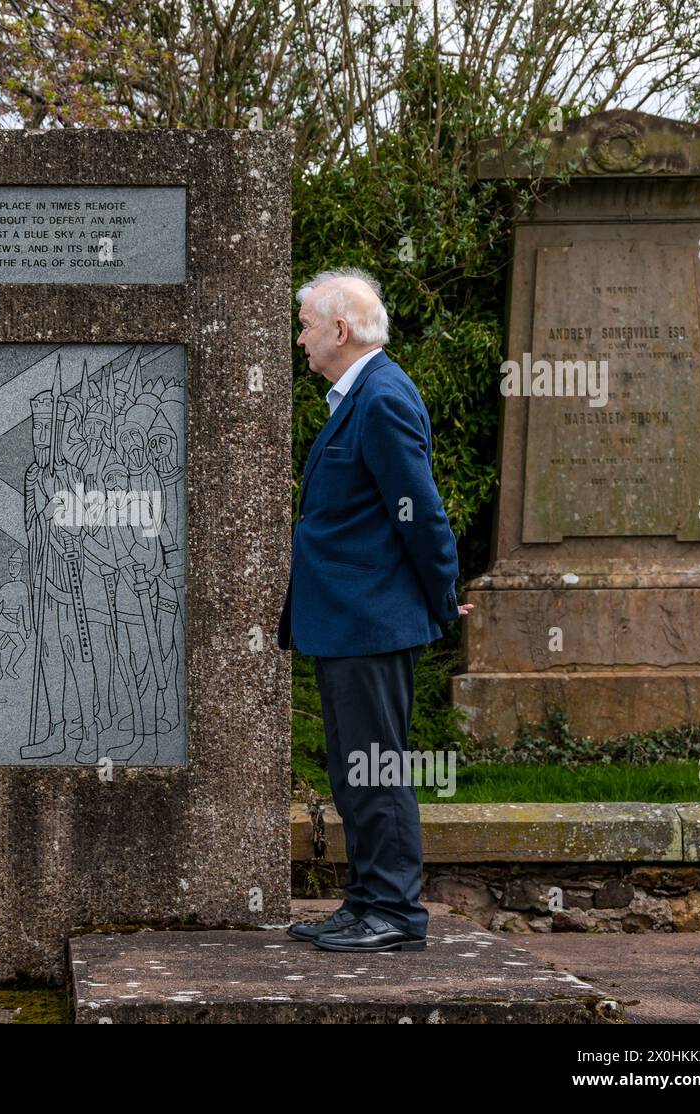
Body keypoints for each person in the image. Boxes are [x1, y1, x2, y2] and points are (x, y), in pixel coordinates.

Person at [277, 269, 473, 954]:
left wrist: (440, 594)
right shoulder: (357, 397)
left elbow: (419, 511)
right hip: (348, 622)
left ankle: (392, 911)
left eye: (304, 325)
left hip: (371, 620)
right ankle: (364, 902)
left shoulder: (383, 397)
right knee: (354, 771)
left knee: (374, 768)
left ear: (338, 330)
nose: (299, 338)